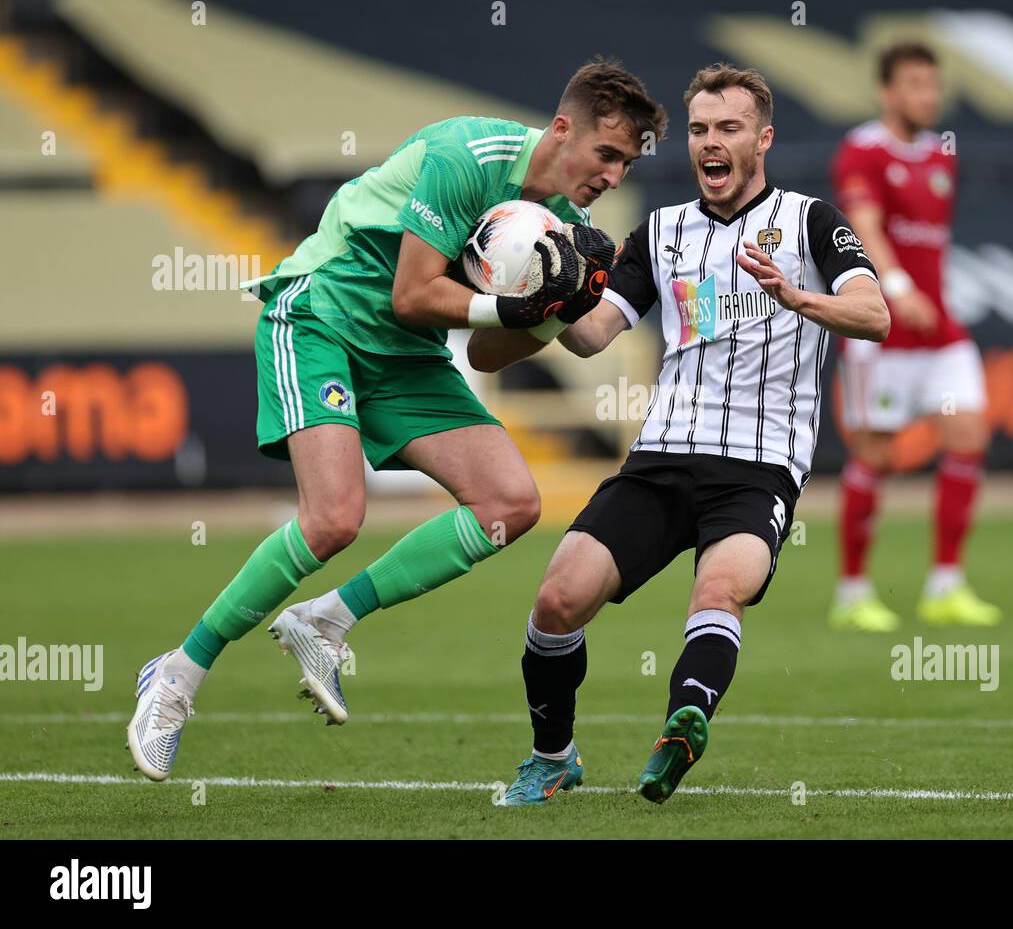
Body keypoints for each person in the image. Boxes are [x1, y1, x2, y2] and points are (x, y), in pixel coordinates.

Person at [127, 59, 668, 782]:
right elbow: (414, 295)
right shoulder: (465, 157)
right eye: (607, 153)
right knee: (333, 519)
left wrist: (559, 305)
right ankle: (175, 677)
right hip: (322, 316)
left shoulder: (567, 226)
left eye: (627, 163)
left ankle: (328, 620)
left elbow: (486, 349)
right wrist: (522, 304)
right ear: (562, 128)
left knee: (511, 503)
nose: (613, 174)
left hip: (403, 357)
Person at [470, 63, 889, 805]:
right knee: (557, 601)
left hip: (760, 466)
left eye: (728, 128)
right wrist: (549, 288)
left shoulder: (810, 221)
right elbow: (594, 337)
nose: (710, 143)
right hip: (662, 457)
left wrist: (796, 296)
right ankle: (553, 755)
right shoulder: (659, 232)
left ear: (762, 138)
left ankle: (681, 726)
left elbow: (874, 314)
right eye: (699, 130)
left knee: (719, 588)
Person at [828, 41, 1000, 633]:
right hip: (881, 331)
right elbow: (865, 224)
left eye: (933, 84)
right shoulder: (863, 150)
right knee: (876, 457)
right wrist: (896, 286)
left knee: (970, 435)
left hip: (941, 331)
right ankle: (853, 592)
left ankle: (945, 584)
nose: (928, 96)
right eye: (915, 85)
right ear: (888, 91)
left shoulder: (942, 156)